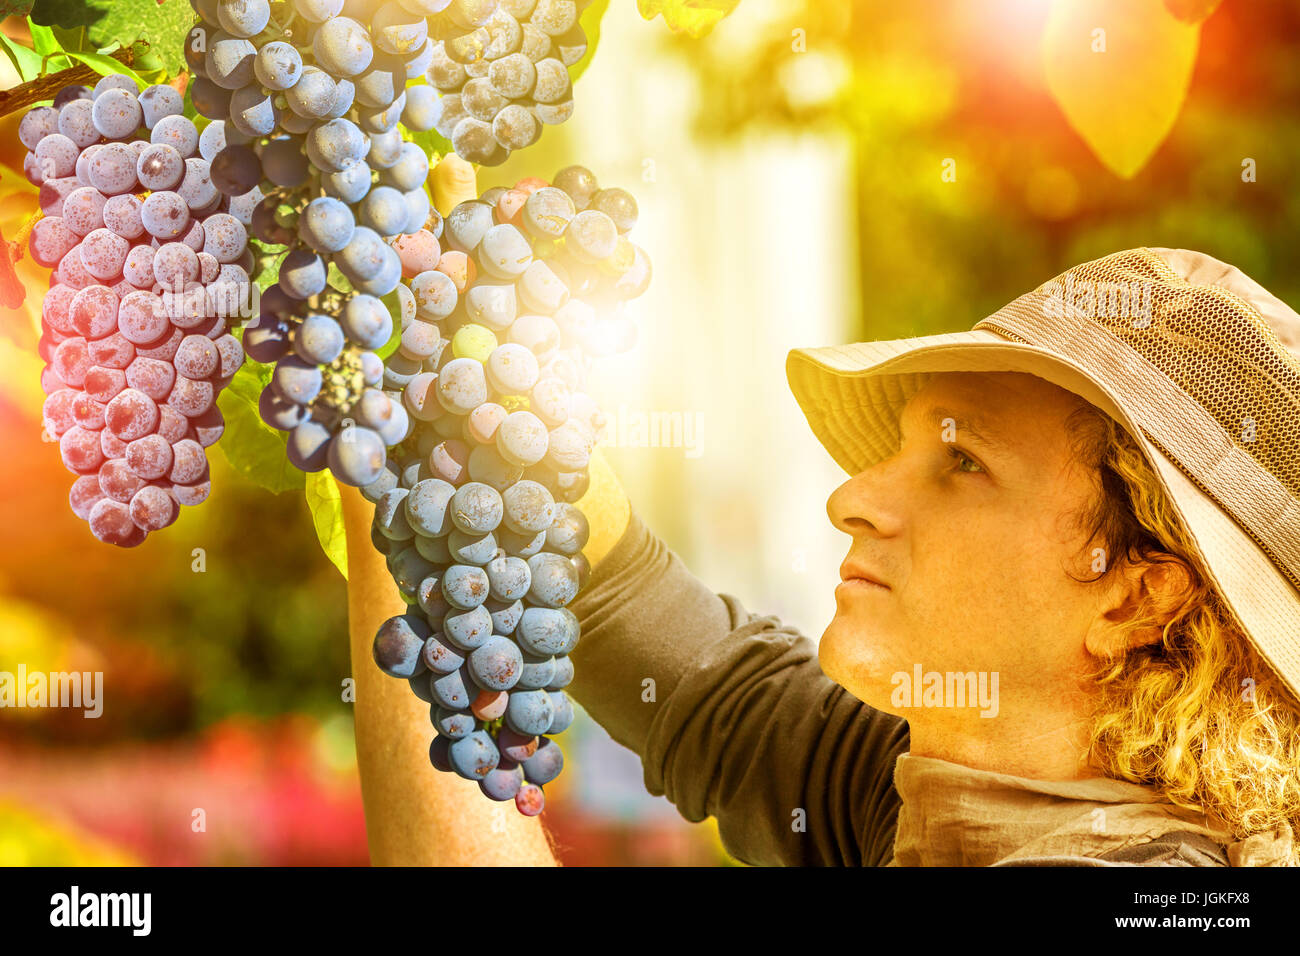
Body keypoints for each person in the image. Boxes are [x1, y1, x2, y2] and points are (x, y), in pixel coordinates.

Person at [341, 246, 1299, 866]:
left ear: (1138, 598)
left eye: (962, 463)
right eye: (909, 448)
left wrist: (397, 499)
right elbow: (710, 689)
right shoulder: (946, 789)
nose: (851, 498)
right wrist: (539, 482)